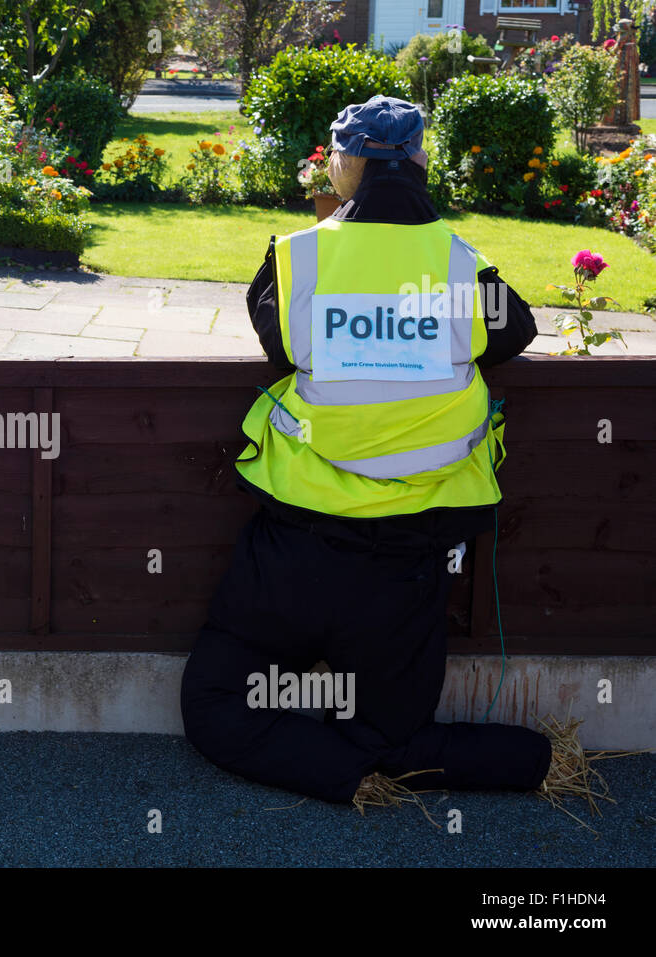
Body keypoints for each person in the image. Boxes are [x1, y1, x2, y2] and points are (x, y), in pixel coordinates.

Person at [179, 95, 552, 805]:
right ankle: (532, 761)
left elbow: (279, 342)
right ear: (417, 161)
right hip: (412, 558)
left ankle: (347, 774)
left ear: (345, 166)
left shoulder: (298, 259)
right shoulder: (458, 264)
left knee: (216, 706)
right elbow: (515, 332)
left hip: (295, 550)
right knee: (394, 735)